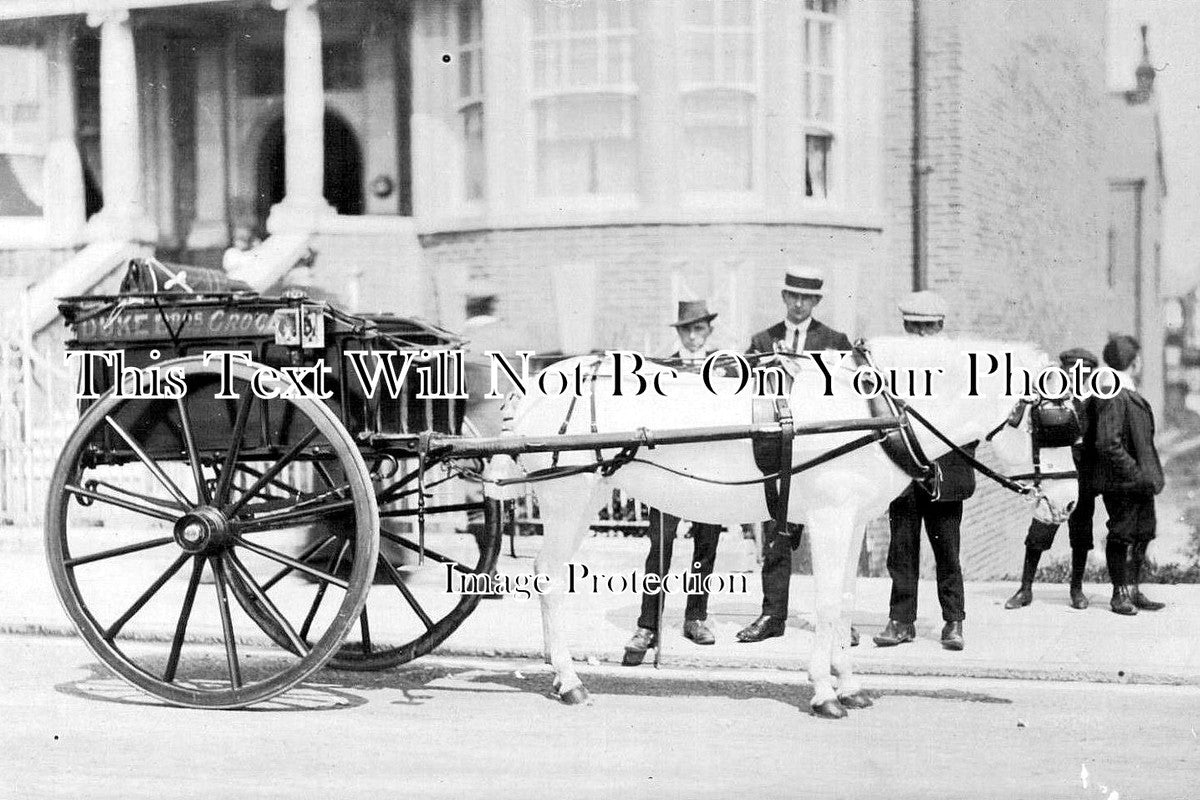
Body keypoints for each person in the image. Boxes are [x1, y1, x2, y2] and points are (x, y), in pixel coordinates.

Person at [736, 267, 854, 644]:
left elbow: (849, 394)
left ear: (816, 301)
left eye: (807, 298)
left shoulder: (835, 341)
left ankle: (837, 619)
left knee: (832, 538)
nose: (799, 304)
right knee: (776, 535)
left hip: (820, 455)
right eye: (793, 296)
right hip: (776, 453)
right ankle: (773, 615)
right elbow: (742, 390)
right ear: (784, 297)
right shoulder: (763, 340)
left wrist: (806, 374)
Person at [623, 301, 727, 666]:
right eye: (687, 330)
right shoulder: (661, 369)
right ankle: (647, 625)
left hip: (711, 471)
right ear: (679, 333)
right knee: (660, 546)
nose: (694, 336)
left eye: (699, 329)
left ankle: (696, 617)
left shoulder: (726, 367)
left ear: (709, 331)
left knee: (706, 547)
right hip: (669, 472)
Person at [874, 291, 973, 651]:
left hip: (945, 471)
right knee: (901, 548)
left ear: (940, 325)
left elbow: (972, 421)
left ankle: (954, 621)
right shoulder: (894, 366)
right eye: (914, 327)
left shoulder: (959, 366)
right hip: (903, 471)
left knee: (947, 550)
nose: (921, 335)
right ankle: (901, 621)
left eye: (928, 327)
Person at [1004, 347, 1100, 611]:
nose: (1077, 376)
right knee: (1039, 531)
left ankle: (1076, 589)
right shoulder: (1051, 398)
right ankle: (1025, 588)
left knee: (1081, 535)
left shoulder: (1095, 400)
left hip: (1083, 476)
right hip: (1055, 475)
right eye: (1071, 370)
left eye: (1083, 372)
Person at [1092, 335, 1166, 615]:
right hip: (1123, 483)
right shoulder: (1114, 394)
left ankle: (1133, 588)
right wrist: (1135, 474)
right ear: (1134, 362)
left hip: (1139, 482)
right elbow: (1107, 443)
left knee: (1143, 532)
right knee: (1121, 535)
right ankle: (1119, 593)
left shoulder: (1126, 391)